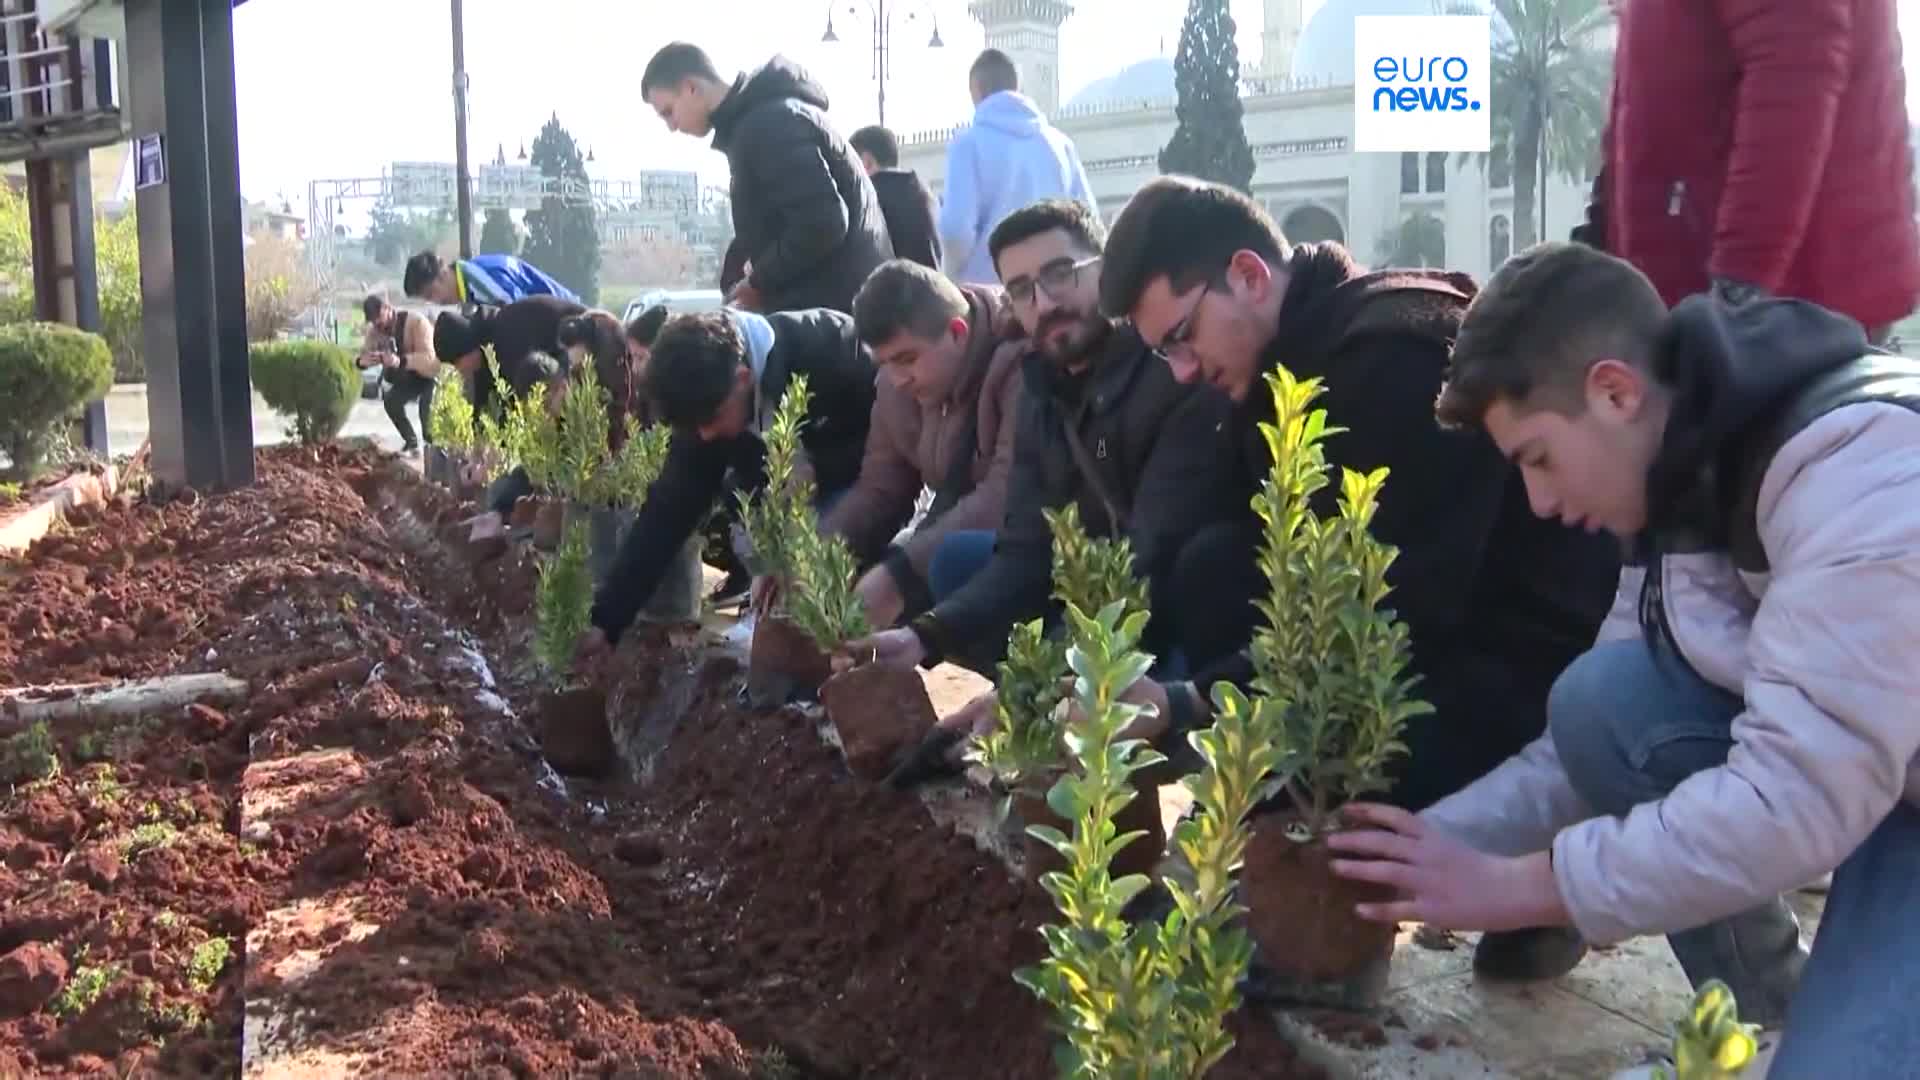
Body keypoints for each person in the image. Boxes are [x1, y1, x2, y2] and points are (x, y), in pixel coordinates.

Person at [1325, 241, 1920, 1075]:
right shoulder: (1685, 479)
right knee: (1605, 701)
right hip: (1883, 778)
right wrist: (1422, 849)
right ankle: (1776, 1006)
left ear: (1614, 391)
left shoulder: (1858, 472)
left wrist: (1532, 887)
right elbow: (1583, 750)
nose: (1539, 501)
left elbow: (1795, 801)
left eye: (1537, 458)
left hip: (1877, 801)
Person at [1095, 176, 1622, 981]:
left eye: (1182, 336)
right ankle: (1278, 859)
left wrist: (1199, 706)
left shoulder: (1399, 355)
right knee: (1213, 569)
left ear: (1247, 274)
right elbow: (1215, 563)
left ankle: (1524, 866)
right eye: (1164, 351)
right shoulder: (1281, 366)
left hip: (1521, 666)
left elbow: (1396, 619)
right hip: (1418, 635)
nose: (1181, 370)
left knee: (1338, 767)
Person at [844, 198, 1241, 678]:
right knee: (962, 563)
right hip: (1094, 592)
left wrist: (1036, 682)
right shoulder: (1041, 390)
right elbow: (1025, 549)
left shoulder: (1170, 372)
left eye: (1061, 273)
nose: (1045, 304)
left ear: (1105, 270)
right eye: (1022, 289)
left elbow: (1151, 560)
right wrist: (923, 636)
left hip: (1178, 605)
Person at [1574, 0, 1918, 342]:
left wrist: (1738, 291)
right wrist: (1600, 235)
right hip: (1735, 299)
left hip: (1792, 303)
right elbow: (1645, 92)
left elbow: (1791, 76)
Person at [575, 308, 879, 656]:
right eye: (695, 428)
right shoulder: (705, 405)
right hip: (793, 502)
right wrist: (605, 622)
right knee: (741, 505)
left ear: (743, 378)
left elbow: (888, 472)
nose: (706, 435)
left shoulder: (835, 356)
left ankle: (838, 653)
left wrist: (814, 473)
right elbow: (667, 514)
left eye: (712, 420)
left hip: (859, 493)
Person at [822, 259, 1026, 629]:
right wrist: (813, 559)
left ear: (958, 333)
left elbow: (1006, 496)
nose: (897, 379)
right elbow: (881, 490)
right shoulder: (894, 386)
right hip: (950, 525)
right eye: (883, 363)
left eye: (906, 359)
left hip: (1025, 544)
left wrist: (900, 573)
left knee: (950, 560)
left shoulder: (1018, 362)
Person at [641, 43, 893, 315]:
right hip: (841, 308)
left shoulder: (768, 124)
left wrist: (758, 282)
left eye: (668, 111)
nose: (672, 126)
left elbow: (822, 222)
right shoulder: (764, 119)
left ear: (691, 87)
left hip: (835, 319)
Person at [938, 49, 1097, 287]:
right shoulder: (1061, 145)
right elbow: (1088, 220)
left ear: (975, 88)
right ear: (1017, 86)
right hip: (1056, 288)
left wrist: (950, 278)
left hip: (991, 294)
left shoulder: (967, 145)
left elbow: (956, 230)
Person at [434, 294, 584, 524]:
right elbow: (484, 413)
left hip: (576, 349)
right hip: (551, 372)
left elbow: (521, 409)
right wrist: (476, 460)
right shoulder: (485, 352)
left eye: (457, 363)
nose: (460, 371)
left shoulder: (509, 341)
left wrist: (491, 465)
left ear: (467, 349)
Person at [849, 125, 942, 272]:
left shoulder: (871, 201)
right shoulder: (924, 195)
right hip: (934, 288)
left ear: (866, 162)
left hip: (897, 290)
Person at [358, 294, 439, 454]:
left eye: (378, 317)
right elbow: (364, 354)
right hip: (409, 378)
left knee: (427, 415)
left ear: (388, 308)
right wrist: (364, 362)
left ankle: (434, 454)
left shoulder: (416, 322)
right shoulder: (375, 332)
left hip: (431, 375)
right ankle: (411, 442)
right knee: (391, 401)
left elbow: (430, 359)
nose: (377, 323)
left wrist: (399, 361)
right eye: (373, 320)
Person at [404, 250, 580, 309]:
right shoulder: (472, 281)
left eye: (431, 293)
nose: (436, 302)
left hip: (569, 320)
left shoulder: (481, 282)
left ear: (442, 273)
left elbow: (521, 316)